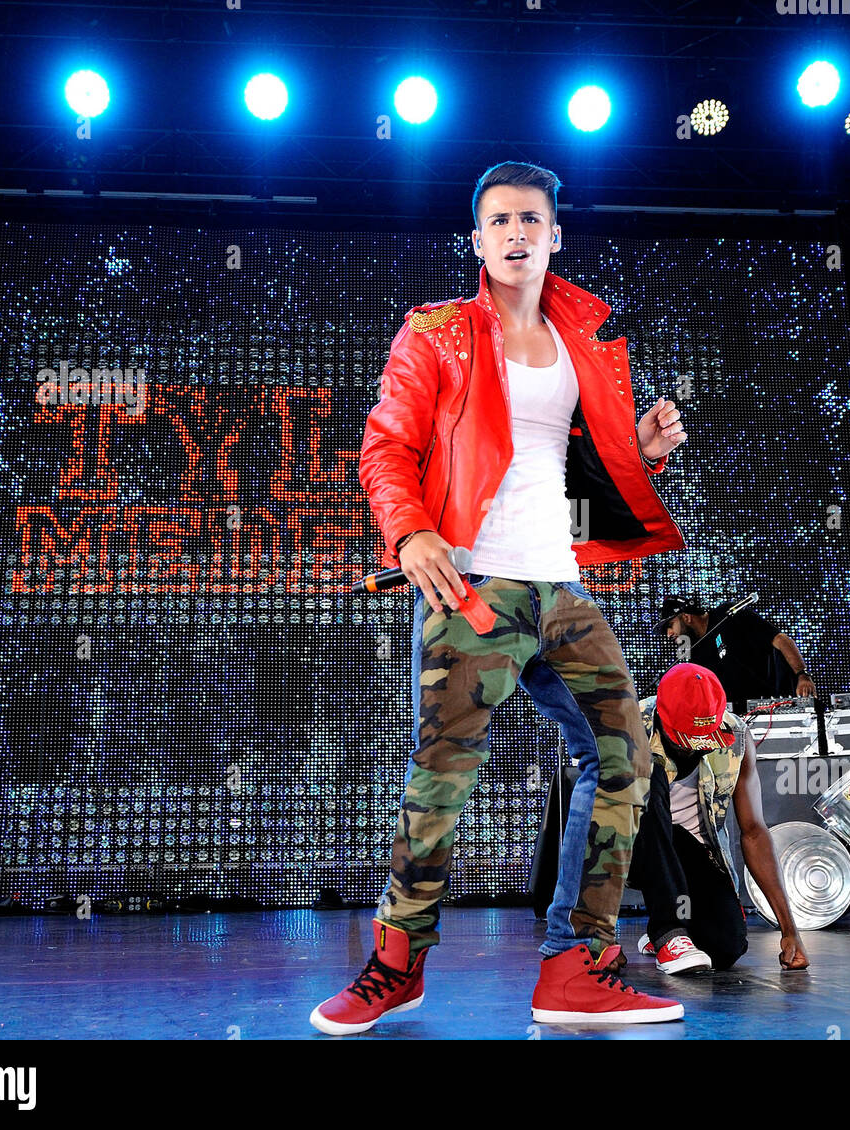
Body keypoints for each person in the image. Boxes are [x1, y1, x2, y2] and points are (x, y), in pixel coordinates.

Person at [311, 161, 690, 1035]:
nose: (516, 232)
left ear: (556, 234)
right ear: (477, 240)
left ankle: (576, 964)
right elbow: (385, 448)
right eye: (498, 221)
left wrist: (642, 449)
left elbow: (576, 467)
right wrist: (410, 535)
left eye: (530, 218)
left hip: (561, 588)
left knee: (627, 760)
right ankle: (394, 964)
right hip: (473, 587)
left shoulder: (583, 338)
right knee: (443, 775)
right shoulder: (437, 334)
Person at [631, 663, 809, 973]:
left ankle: (667, 931)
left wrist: (790, 930)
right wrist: (598, 940)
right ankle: (669, 931)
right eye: (686, 737)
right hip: (630, 845)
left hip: (687, 852)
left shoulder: (736, 737)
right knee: (649, 778)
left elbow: (753, 831)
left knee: (726, 948)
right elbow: (595, 816)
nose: (694, 747)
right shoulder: (630, 725)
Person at [653, 595, 817, 713]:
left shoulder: (728, 615)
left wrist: (802, 675)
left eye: (670, 625)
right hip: (737, 719)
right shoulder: (696, 650)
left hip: (773, 708)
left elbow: (781, 640)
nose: (668, 634)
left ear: (686, 617)